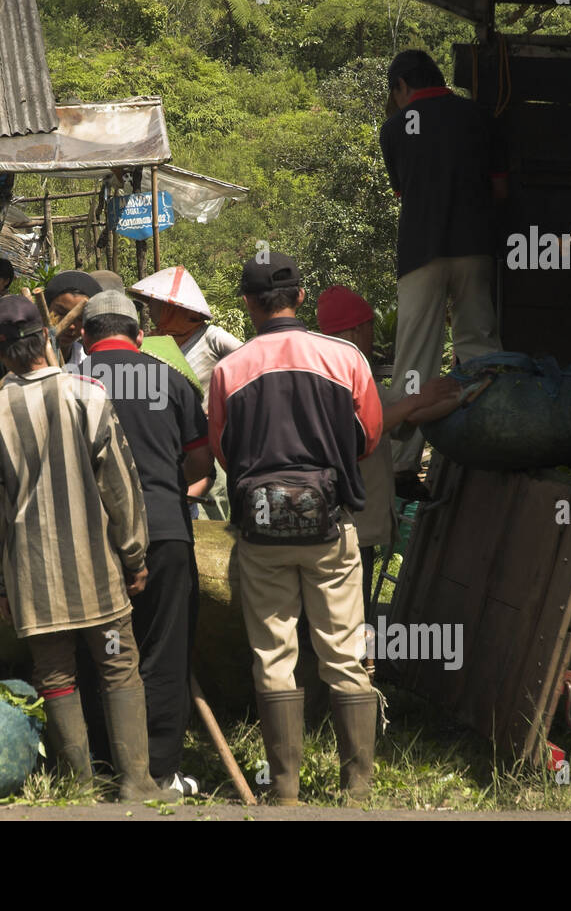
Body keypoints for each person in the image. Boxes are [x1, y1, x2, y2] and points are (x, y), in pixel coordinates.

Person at [0, 295, 163, 802]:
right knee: (118, 664)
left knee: (55, 673)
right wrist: (135, 556)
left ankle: (78, 788)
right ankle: (137, 783)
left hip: (32, 575)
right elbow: (120, 487)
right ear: (48, 338)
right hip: (97, 567)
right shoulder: (88, 394)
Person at [208, 253, 382, 804]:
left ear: (247, 303)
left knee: (274, 656)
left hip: (260, 535)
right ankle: (356, 791)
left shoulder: (229, 369)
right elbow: (370, 436)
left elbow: (222, 451)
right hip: (330, 528)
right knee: (345, 652)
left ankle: (284, 790)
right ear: (301, 298)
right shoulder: (345, 356)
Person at [79, 289, 213, 795]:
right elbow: (202, 464)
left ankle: (101, 764)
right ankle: (159, 771)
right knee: (163, 651)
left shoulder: (70, 384)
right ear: (140, 336)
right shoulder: (173, 381)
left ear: (86, 338)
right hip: (164, 534)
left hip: (88, 540)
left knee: (97, 648)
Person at [379, 49, 506, 501]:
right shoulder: (477, 116)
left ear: (401, 87)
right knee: (479, 347)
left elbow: (404, 192)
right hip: (475, 250)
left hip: (420, 256)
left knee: (416, 359)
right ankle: (489, 442)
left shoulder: (394, 129)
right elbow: (499, 189)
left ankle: (402, 467)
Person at [316, 286, 462, 607]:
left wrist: (461, 395)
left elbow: (411, 409)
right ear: (356, 331)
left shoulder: (360, 378)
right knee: (346, 623)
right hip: (342, 532)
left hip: (356, 530)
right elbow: (357, 433)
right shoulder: (330, 377)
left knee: (353, 618)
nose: (372, 337)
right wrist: (416, 403)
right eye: (369, 328)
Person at [130, 265, 243, 519]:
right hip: (172, 440)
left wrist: (220, 410)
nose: (151, 309)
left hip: (210, 438)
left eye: (156, 304)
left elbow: (250, 363)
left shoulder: (212, 337)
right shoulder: (155, 341)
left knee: (216, 502)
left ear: (174, 308)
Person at [43, 270, 102, 365]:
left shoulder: (87, 365)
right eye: (61, 313)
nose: (71, 326)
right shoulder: (23, 360)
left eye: (80, 318)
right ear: (46, 308)